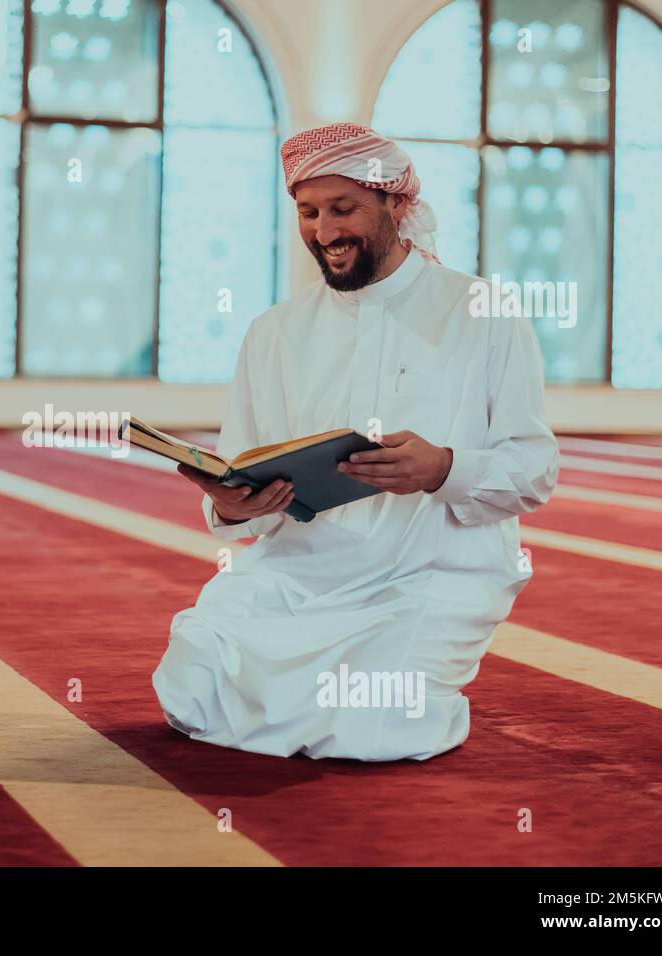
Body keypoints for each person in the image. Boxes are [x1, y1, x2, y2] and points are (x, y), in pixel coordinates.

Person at [154, 122, 560, 761]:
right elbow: (238, 475)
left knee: (372, 725)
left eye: (343, 209)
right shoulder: (274, 333)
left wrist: (443, 469)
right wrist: (232, 505)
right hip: (298, 573)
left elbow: (534, 469)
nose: (324, 232)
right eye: (308, 212)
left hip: (430, 573)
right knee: (193, 687)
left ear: (397, 204)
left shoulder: (484, 313)